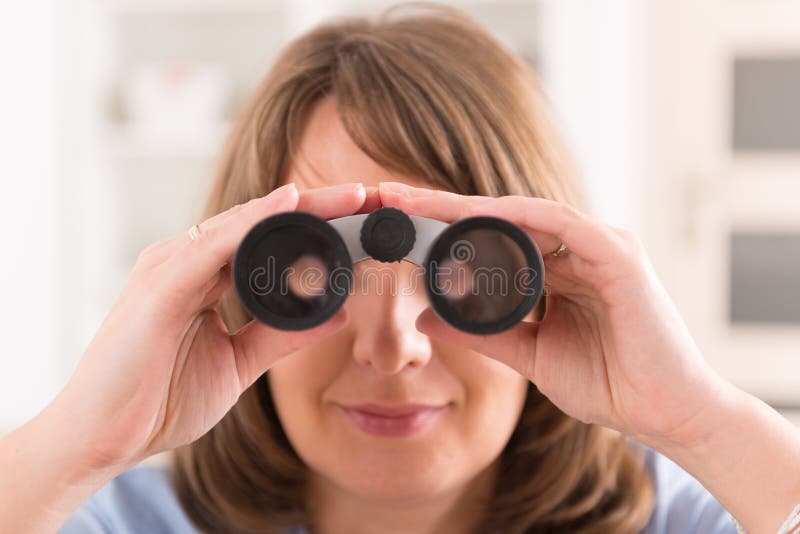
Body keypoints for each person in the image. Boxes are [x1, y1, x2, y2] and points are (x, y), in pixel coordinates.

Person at [2, 5, 799, 534]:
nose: (393, 348)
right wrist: (76, 446)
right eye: (320, 272)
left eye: (463, 270)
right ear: (238, 285)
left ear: (547, 281)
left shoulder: (677, 514)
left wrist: (702, 422)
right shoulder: (112, 515)